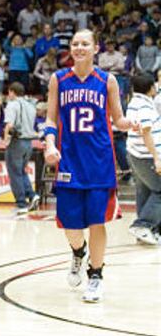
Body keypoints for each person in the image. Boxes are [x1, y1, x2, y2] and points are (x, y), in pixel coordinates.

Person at [43, 29, 133, 303]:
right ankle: (78, 252)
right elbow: (50, 119)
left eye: (85, 43)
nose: (79, 47)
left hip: (99, 161)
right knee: (70, 225)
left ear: (95, 49)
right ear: (70, 49)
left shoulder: (107, 80)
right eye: (75, 43)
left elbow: (118, 119)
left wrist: (130, 124)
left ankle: (96, 275)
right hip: (69, 159)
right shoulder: (59, 79)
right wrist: (49, 144)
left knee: (97, 221)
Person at [125, 72, 161, 245]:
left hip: (135, 154)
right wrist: (157, 158)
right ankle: (143, 225)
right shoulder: (145, 106)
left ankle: (145, 232)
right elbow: (146, 131)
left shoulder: (134, 102)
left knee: (144, 192)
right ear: (150, 88)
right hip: (146, 156)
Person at [3, 82, 40, 214]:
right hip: (29, 143)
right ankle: (32, 195)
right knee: (21, 171)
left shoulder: (13, 104)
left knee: (14, 172)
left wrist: (5, 138)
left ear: (12, 92)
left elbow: (10, 124)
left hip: (17, 141)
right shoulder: (31, 105)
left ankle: (21, 203)